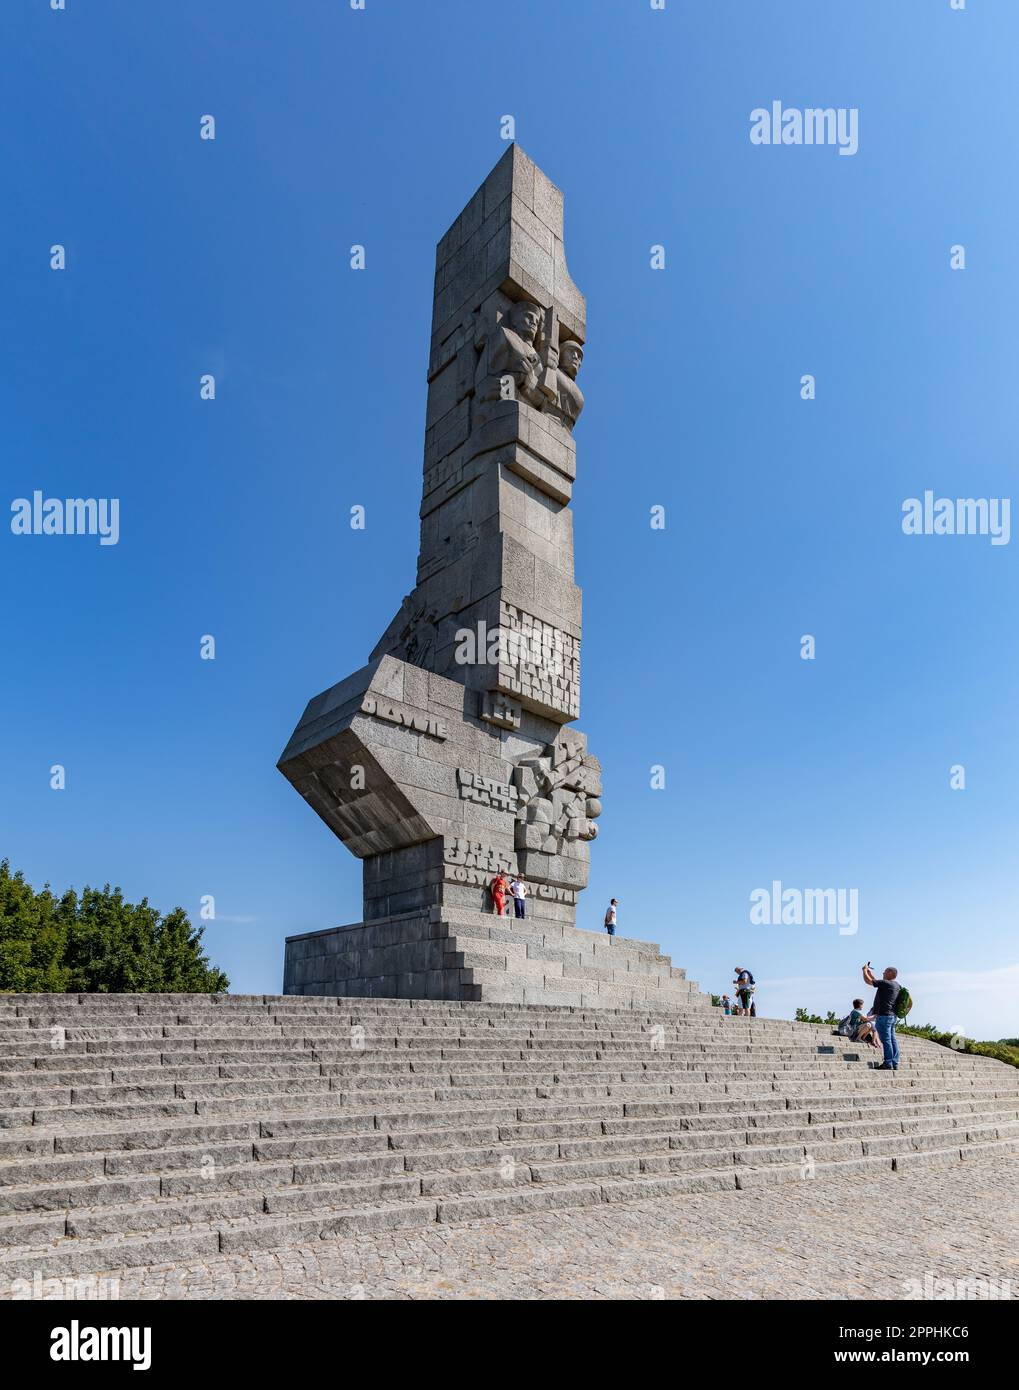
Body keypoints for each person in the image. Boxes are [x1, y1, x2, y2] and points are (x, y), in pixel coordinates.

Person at [862, 962, 901, 1070]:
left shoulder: (886, 984)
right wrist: (870, 973)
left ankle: (888, 1063)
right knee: (892, 1039)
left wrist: (864, 970)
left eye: (885, 971)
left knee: (886, 1040)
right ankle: (895, 1062)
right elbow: (877, 982)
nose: (883, 973)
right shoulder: (896, 985)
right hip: (892, 1016)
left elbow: (869, 981)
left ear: (890, 973)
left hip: (884, 1016)